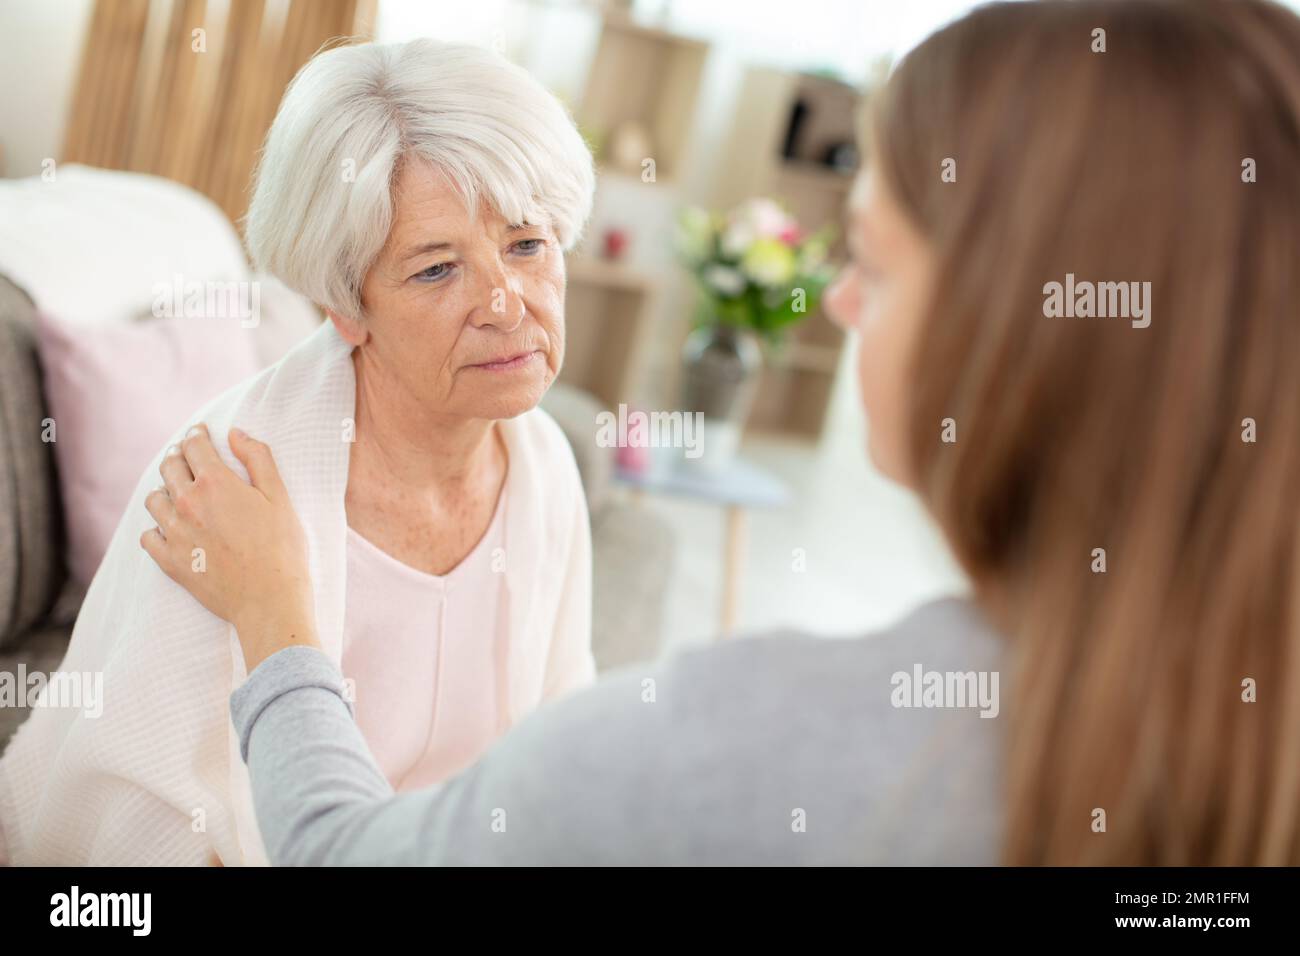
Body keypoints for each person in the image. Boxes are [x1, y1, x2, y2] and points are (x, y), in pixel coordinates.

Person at [140, 0, 1300, 865]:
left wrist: (278, 627)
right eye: (437, 265)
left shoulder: (745, 733)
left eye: (874, 262)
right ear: (346, 302)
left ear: (1005, 332)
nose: (835, 302)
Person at [0, 38, 596, 865]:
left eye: (527, 244)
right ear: (343, 307)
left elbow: (560, 744)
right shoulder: (225, 489)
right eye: (436, 270)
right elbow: (132, 825)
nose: (507, 302)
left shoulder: (543, 465)